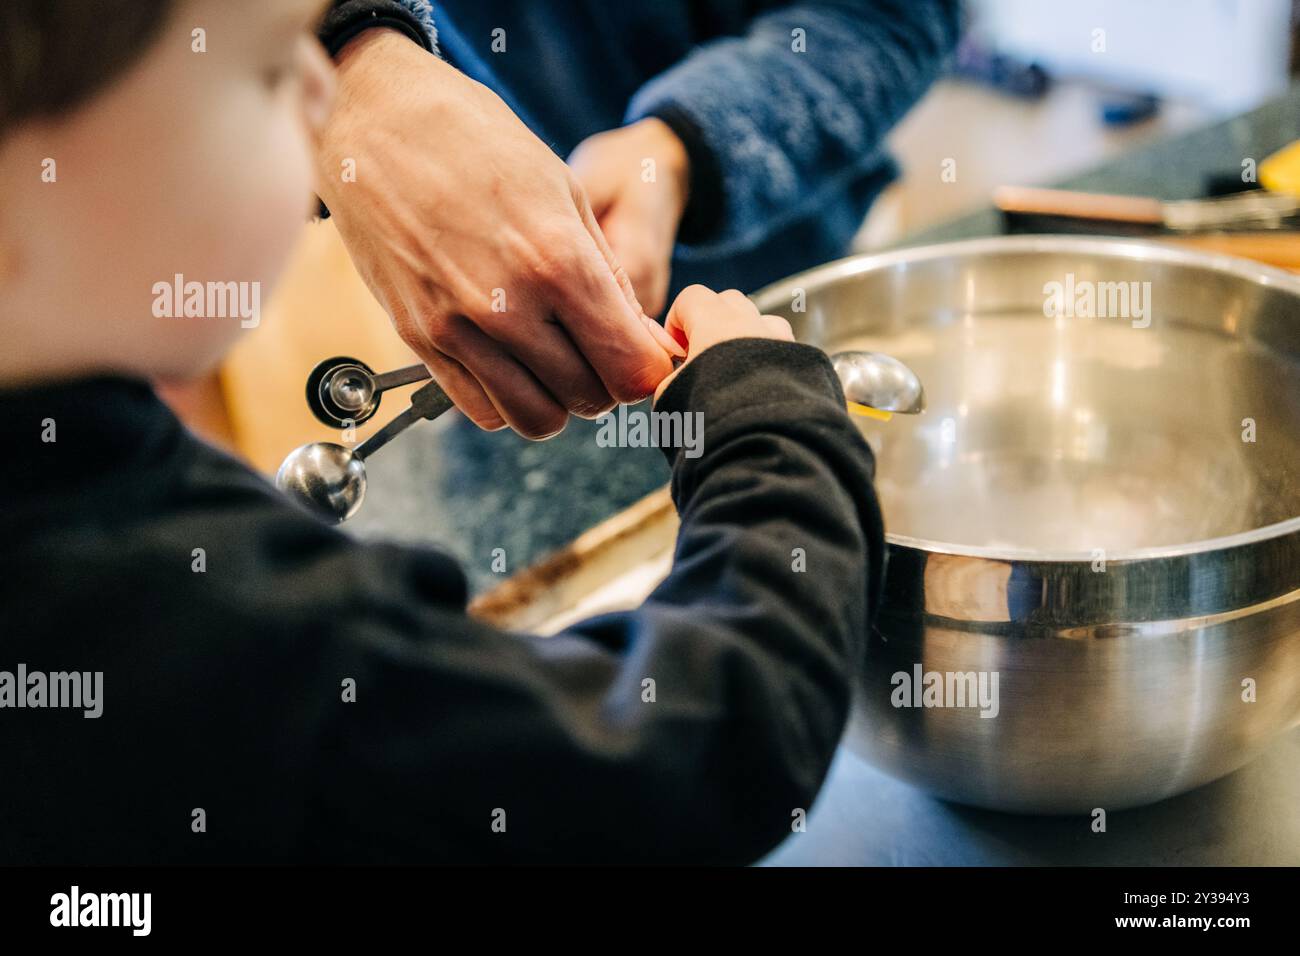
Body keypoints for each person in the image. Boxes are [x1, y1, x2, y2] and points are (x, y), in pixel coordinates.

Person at [0, 0, 885, 864]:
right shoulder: (234, 636)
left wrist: (677, 149)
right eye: (269, 67)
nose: (330, 95)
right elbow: (700, 752)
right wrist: (772, 425)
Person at [314, 0, 961, 438]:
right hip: (496, 335)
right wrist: (343, 62)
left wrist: (684, 146)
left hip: (812, 274)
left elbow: (889, 17)